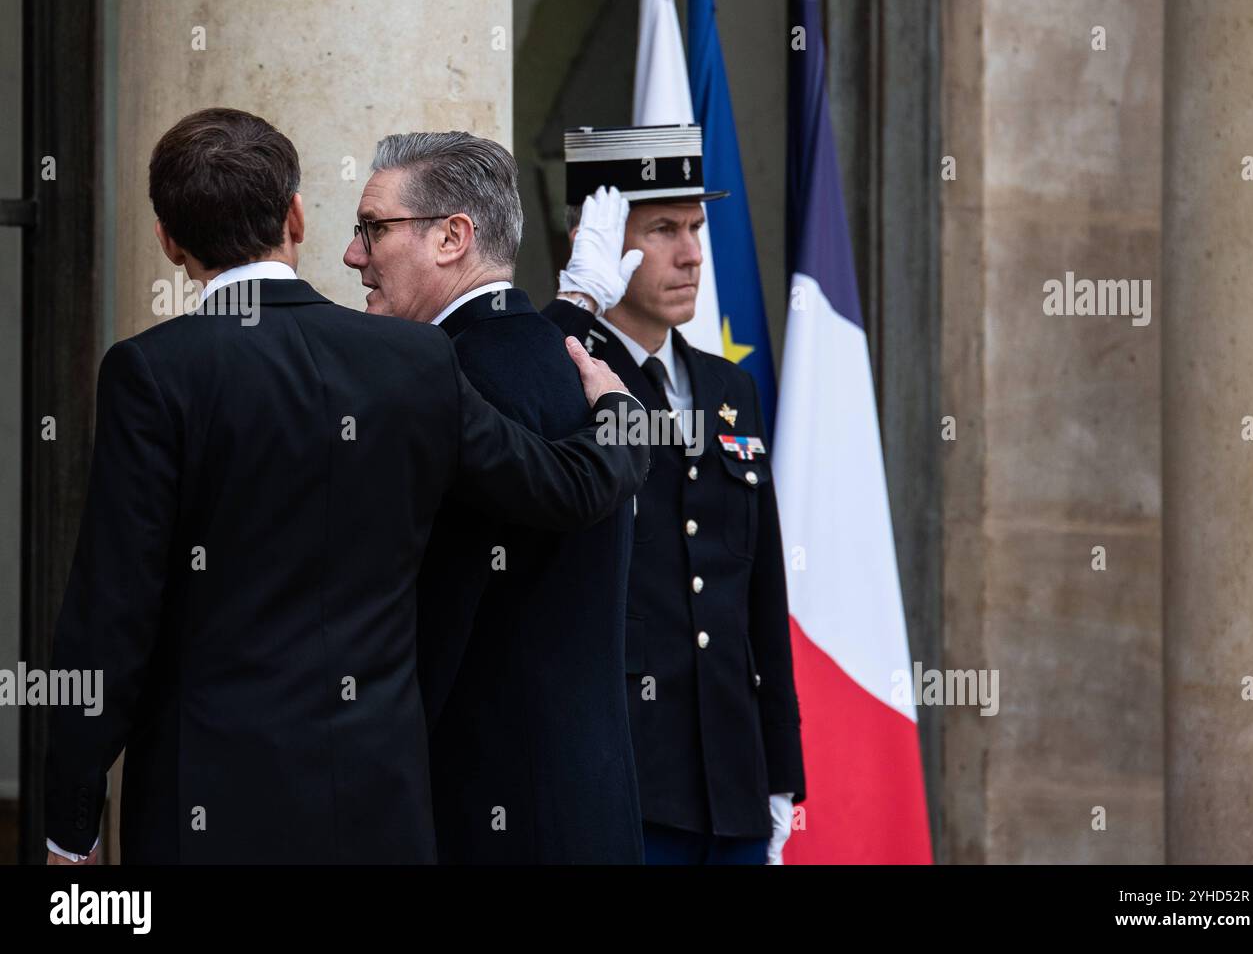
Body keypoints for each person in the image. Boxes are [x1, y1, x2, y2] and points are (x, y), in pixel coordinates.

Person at [43, 107, 646, 865]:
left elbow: (109, 619)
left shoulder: (151, 371)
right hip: (377, 811)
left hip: (209, 810)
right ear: (295, 217)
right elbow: (566, 486)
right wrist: (621, 411)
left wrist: (70, 822)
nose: (356, 254)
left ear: (167, 240)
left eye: (373, 229)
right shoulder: (412, 361)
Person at [342, 132, 645, 863]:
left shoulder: (435, 383)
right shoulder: (576, 366)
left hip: (480, 816)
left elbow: (429, 630)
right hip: (592, 808)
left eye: (373, 228)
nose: (354, 254)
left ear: (453, 237)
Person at [545, 124, 806, 865]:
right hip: (618, 777)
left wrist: (781, 771)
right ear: (594, 238)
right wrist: (570, 308)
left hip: (729, 782)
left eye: (695, 226)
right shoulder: (555, 377)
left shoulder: (730, 388)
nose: (692, 253)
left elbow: (760, 586)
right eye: (661, 229)